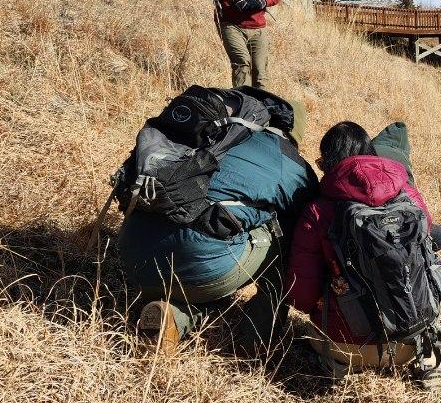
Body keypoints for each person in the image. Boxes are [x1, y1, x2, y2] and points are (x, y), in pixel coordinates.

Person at [286, 121, 441, 397]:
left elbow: (300, 297)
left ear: (327, 163)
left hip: (348, 349)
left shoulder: (317, 211)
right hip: (415, 342)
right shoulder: (409, 194)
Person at [118, 89, 318, 356]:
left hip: (133, 257)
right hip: (202, 266)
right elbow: (310, 221)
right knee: (286, 236)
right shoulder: (288, 160)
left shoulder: (210, 133)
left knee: (214, 238)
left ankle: (174, 317)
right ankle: (258, 339)